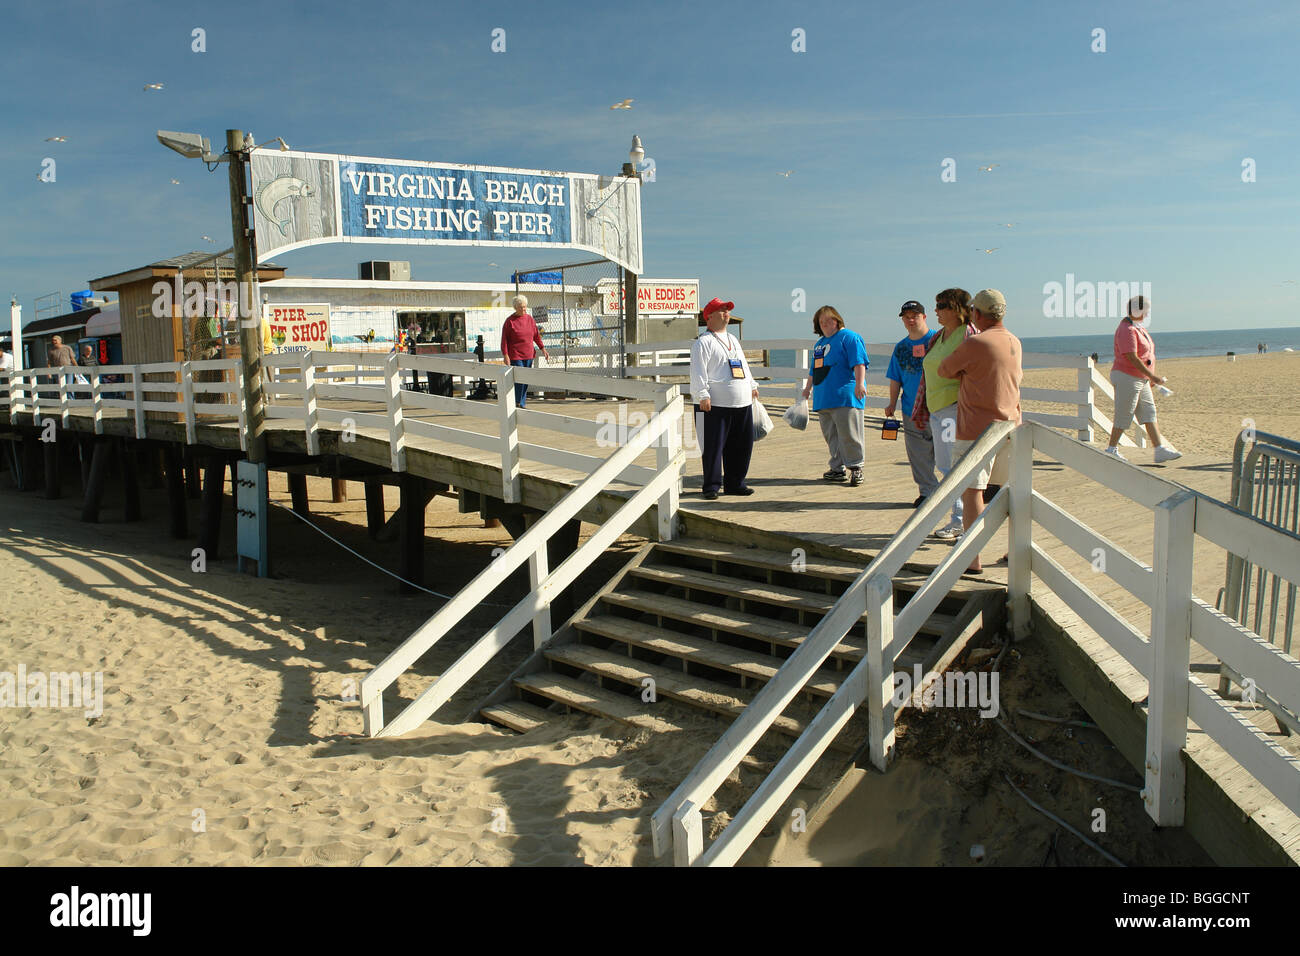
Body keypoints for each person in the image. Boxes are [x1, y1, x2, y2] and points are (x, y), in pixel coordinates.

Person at [937, 289, 1022, 574]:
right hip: (1010, 426)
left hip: (976, 429)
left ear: (977, 314)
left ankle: (972, 558)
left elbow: (944, 369)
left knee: (972, 491)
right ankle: (1016, 550)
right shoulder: (1014, 342)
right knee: (1010, 491)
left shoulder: (976, 343)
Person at [914, 289, 975, 539]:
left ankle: (960, 520)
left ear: (957, 308)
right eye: (936, 305)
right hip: (937, 409)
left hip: (955, 407)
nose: (936, 310)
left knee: (953, 465)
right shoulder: (939, 336)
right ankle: (960, 518)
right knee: (944, 464)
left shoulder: (968, 335)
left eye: (942, 306)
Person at [691, 297, 758, 499]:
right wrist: (702, 394)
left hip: (741, 402)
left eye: (727, 310)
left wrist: (752, 384)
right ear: (709, 317)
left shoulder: (733, 340)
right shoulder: (703, 342)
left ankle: (735, 482)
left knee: (741, 445)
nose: (726, 313)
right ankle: (711, 486)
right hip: (714, 405)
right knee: (713, 447)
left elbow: (742, 365)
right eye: (721, 310)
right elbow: (698, 371)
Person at [1104, 296, 1181, 462]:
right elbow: (1131, 356)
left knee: (1149, 411)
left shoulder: (1136, 328)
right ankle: (1111, 448)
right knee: (1125, 413)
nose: (1147, 314)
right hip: (1127, 376)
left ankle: (1159, 449)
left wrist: (1149, 378)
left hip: (1140, 378)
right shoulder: (1127, 329)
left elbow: (1145, 354)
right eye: (1145, 311)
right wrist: (1152, 375)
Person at [801, 305, 868, 486]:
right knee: (832, 435)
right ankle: (837, 468)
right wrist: (807, 388)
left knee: (849, 433)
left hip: (845, 395)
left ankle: (856, 468)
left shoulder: (849, 337)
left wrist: (860, 384)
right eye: (821, 321)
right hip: (824, 397)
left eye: (828, 320)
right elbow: (815, 369)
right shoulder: (820, 344)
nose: (824, 324)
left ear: (837, 320)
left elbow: (859, 362)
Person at [886, 300, 940, 506]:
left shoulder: (937, 340)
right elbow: (895, 378)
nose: (910, 320)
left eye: (914, 315)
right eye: (906, 316)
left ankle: (952, 494)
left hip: (938, 406)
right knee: (918, 455)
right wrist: (891, 403)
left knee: (945, 453)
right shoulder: (901, 347)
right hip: (911, 409)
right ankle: (927, 492)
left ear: (924, 317)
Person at [500, 295, 550, 408]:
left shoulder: (530, 319)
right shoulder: (509, 322)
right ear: (515, 307)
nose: (524, 309)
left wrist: (543, 349)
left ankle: (522, 402)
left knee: (526, 379)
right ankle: (517, 401)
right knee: (519, 379)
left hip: (529, 354)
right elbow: (504, 340)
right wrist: (505, 355)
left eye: (525, 307)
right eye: (521, 307)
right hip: (515, 355)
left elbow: (536, 336)